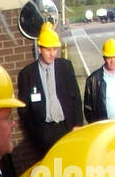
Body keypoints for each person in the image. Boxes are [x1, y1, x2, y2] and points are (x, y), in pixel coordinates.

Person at [17, 22, 83, 154]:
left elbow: (75, 96)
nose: (52, 54)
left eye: (55, 49)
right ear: (40, 49)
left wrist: (77, 124)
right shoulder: (27, 74)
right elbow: (24, 110)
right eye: (48, 50)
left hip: (67, 127)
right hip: (44, 132)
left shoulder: (65, 66)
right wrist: (35, 134)